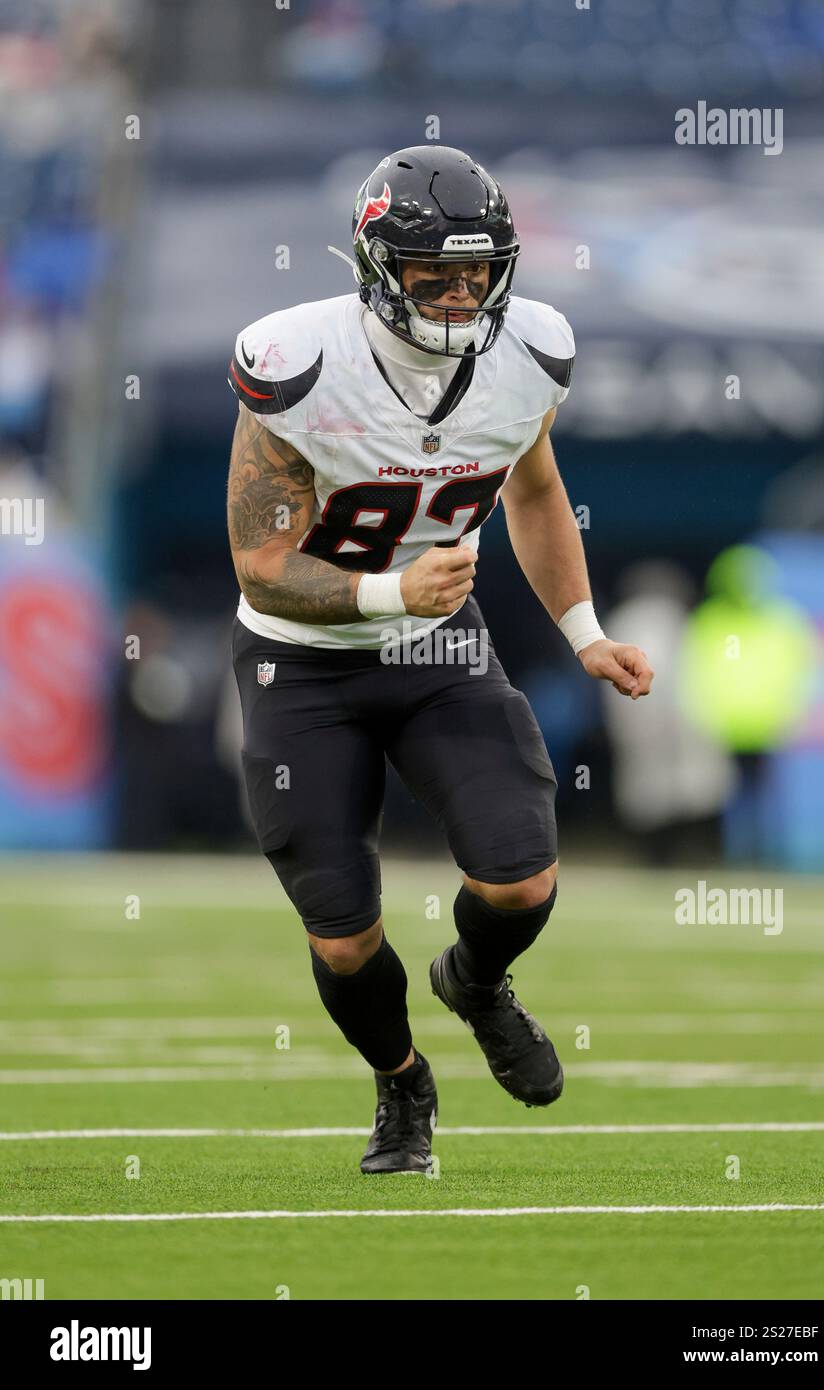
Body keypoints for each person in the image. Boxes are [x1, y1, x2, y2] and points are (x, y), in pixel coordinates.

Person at [226, 146, 653, 1174]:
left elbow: (536, 491)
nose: (462, 293)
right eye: (434, 273)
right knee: (342, 936)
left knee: (521, 879)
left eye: (478, 271)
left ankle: (475, 981)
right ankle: (403, 1080)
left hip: (436, 646)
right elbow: (259, 564)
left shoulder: (531, 352)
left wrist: (585, 633)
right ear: (378, 265)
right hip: (302, 662)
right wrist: (385, 590)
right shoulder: (299, 364)